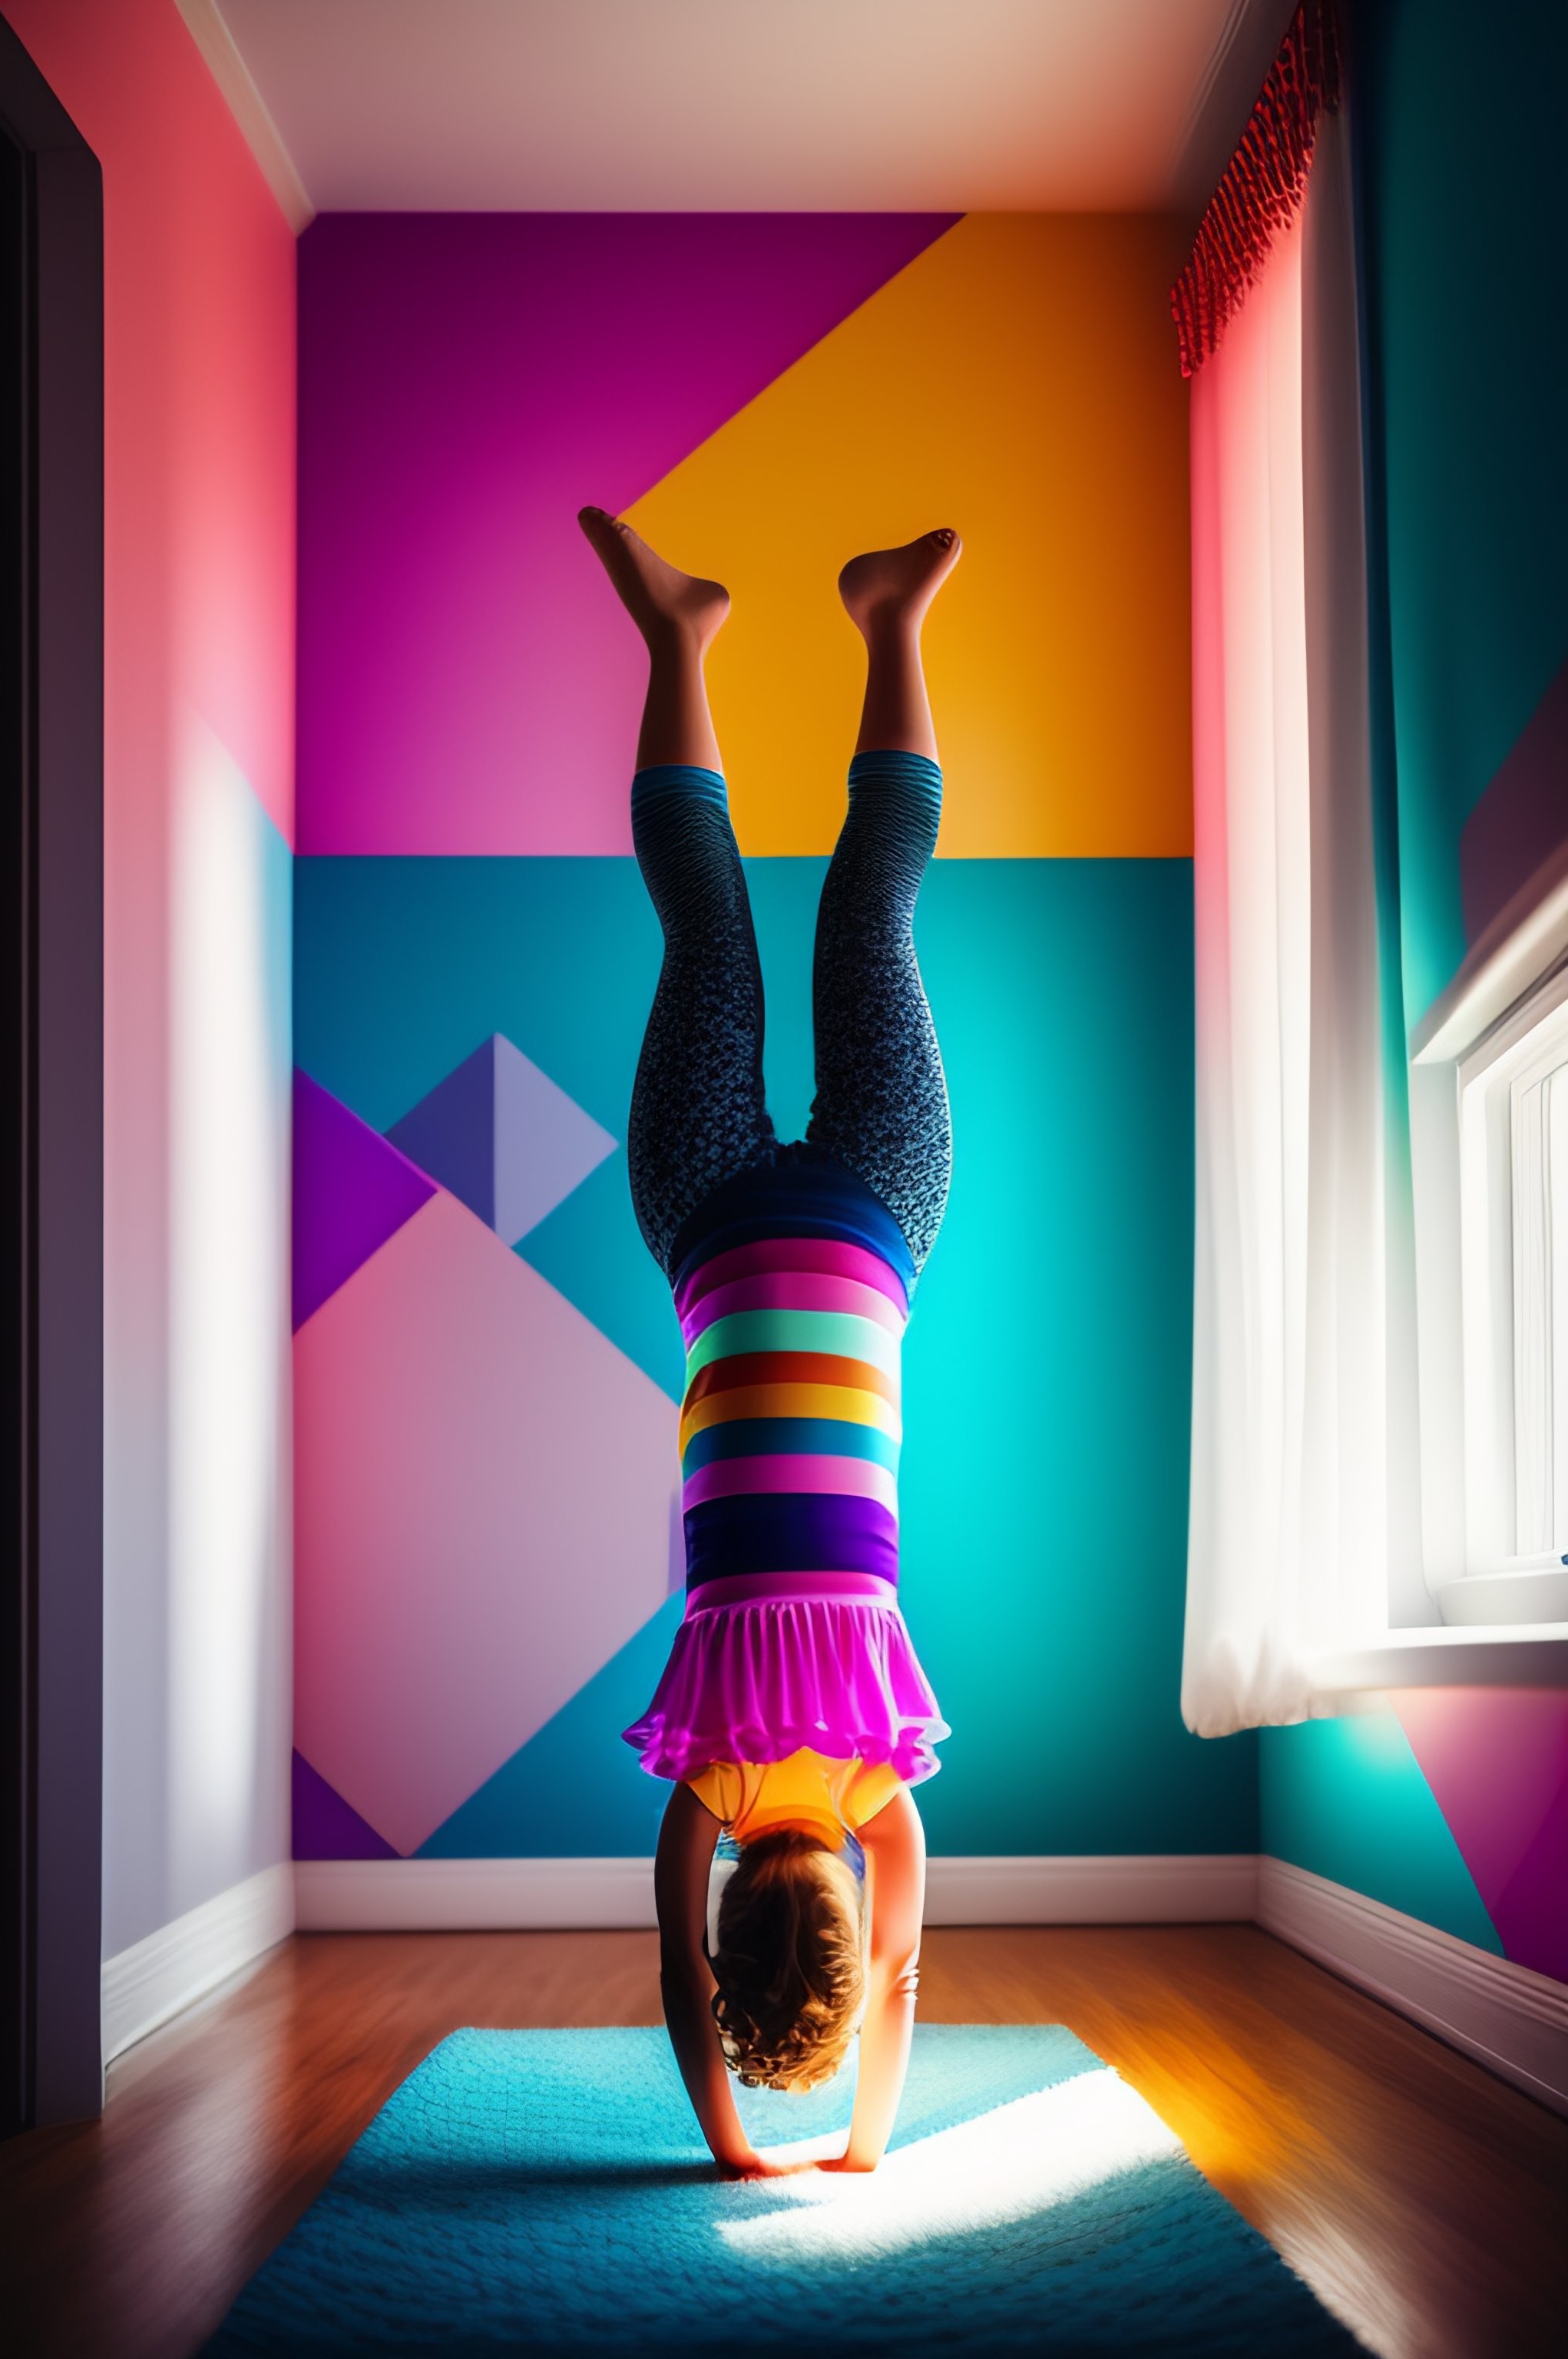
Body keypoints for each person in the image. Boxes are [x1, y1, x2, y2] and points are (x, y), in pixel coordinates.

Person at [578, 505, 959, 2177]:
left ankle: (875, 628)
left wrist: (860, 2145)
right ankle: (691, 639)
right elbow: (681, 1977)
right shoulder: (708, 1796)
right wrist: (740, 2148)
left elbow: (899, 1977)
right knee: (716, 922)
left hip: (877, 1222)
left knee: (866, 925)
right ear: (731, 1900)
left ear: (849, 1897)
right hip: (720, 1214)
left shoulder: (886, 1788)